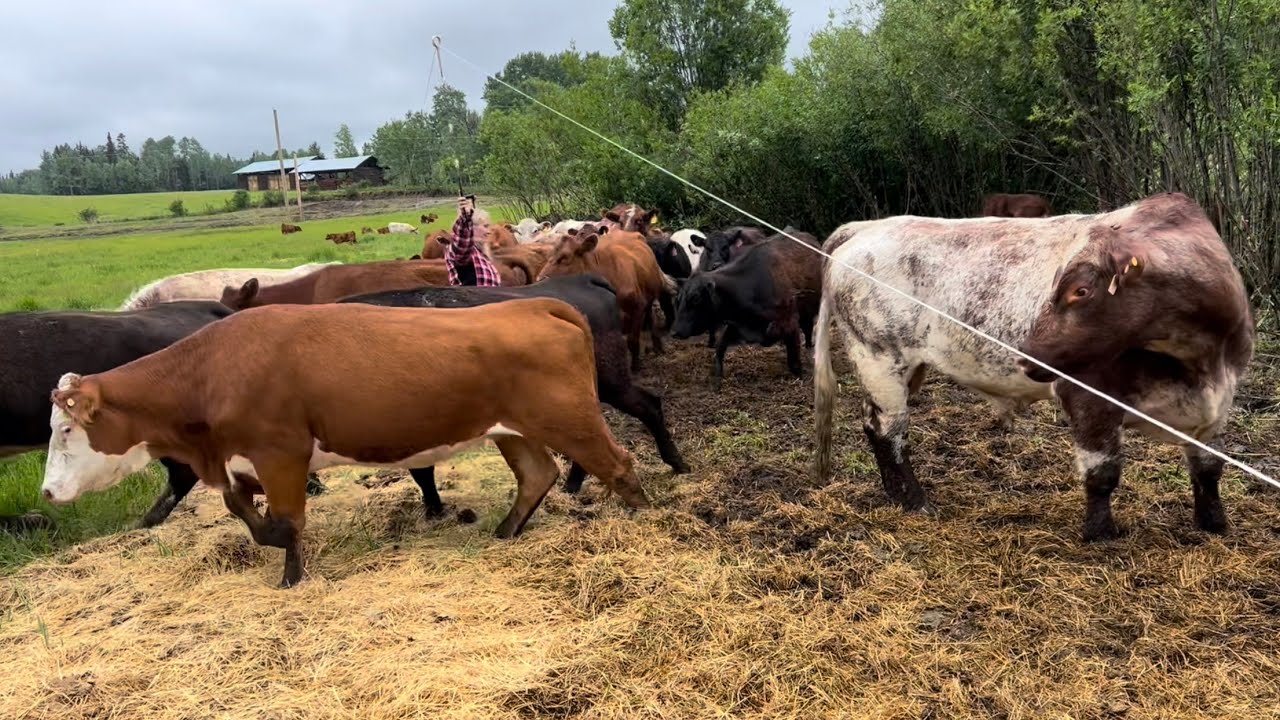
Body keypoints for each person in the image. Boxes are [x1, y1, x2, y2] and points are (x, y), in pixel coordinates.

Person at [436, 196, 502, 286]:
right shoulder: (464, 252)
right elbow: (462, 241)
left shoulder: (481, 254)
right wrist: (465, 217)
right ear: (472, 227)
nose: (488, 231)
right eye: (485, 226)